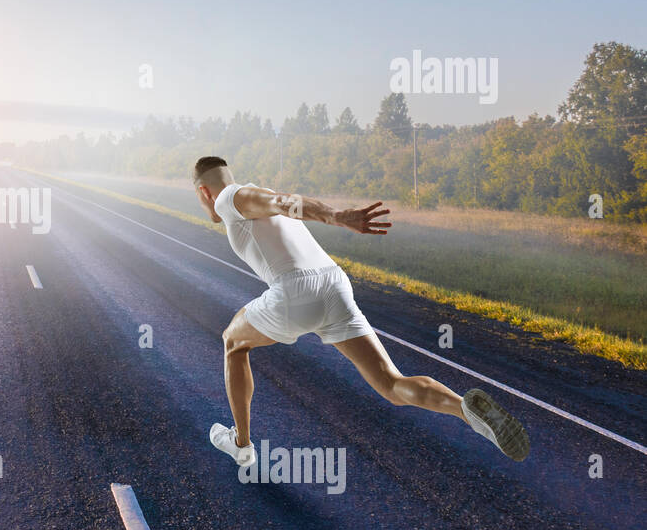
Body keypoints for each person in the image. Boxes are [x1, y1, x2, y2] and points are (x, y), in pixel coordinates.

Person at [192, 155, 529, 467]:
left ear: (204, 191)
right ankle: (466, 410)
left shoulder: (229, 198)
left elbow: (282, 201)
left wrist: (336, 216)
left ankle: (242, 444)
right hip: (334, 283)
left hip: (295, 289)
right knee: (391, 384)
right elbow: (281, 203)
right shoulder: (251, 198)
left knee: (233, 342)